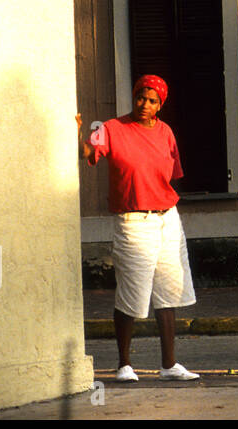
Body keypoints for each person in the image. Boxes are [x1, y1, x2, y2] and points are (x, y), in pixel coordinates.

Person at [77, 74, 199, 382]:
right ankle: (124, 364)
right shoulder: (111, 129)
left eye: (152, 101)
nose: (145, 104)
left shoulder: (166, 132)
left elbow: (172, 174)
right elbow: (90, 154)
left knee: (169, 290)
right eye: (141, 98)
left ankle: (170, 365)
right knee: (131, 291)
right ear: (134, 97)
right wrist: (78, 135)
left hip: (167, 218)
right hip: (133, 221)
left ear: (160, 105)